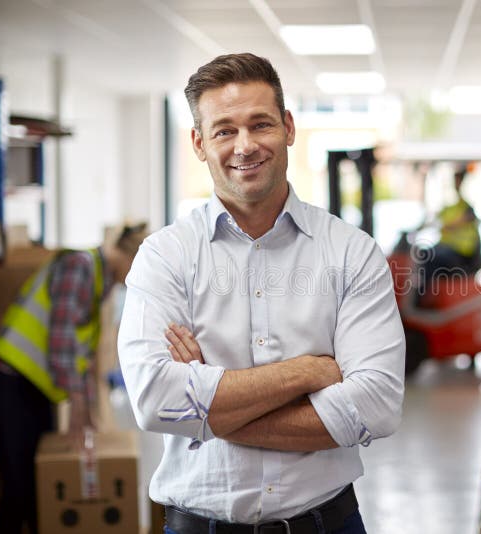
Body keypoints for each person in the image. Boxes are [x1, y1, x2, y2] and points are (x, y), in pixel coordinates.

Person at [117, 53, 405, 534]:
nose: (244, 145)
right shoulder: (163, 257)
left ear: (288, 127)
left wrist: (210, 404)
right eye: (224, 130)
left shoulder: (352, 253)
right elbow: (154, 400)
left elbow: (376, 405)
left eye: (260, 124)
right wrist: (309, 372)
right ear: (198, 142)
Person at [0, 223, 148, 534]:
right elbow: (61, 345)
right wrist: (79, 407)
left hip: (30, 388)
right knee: (18, 490)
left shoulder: (99, 286)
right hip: (8, 380)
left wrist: (88, 415)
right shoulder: (79, 267)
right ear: (128, 255)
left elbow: (80, 360)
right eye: (142, 266)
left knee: (35, 489)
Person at [419, 164, 481, 298]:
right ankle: (424, 295)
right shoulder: (450, 206)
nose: (456, 184)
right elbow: (435, 220)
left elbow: (458, 222)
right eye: (455, 180)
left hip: (462, 253)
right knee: (422, 255)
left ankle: (424, 296)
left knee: (430, 258)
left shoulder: (466, 207)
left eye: (459, 180)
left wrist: (446, 225)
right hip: (448, 248)